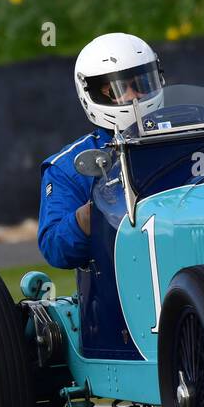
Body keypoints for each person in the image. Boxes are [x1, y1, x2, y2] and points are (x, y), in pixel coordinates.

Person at [37, 33, 164, 269]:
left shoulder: (192, 132)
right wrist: (91, 215)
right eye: (117, 90)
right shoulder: (67, 167)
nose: (134, 96)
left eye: (142, 84)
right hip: (118, 281)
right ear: (91, 93)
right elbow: (55, 249)